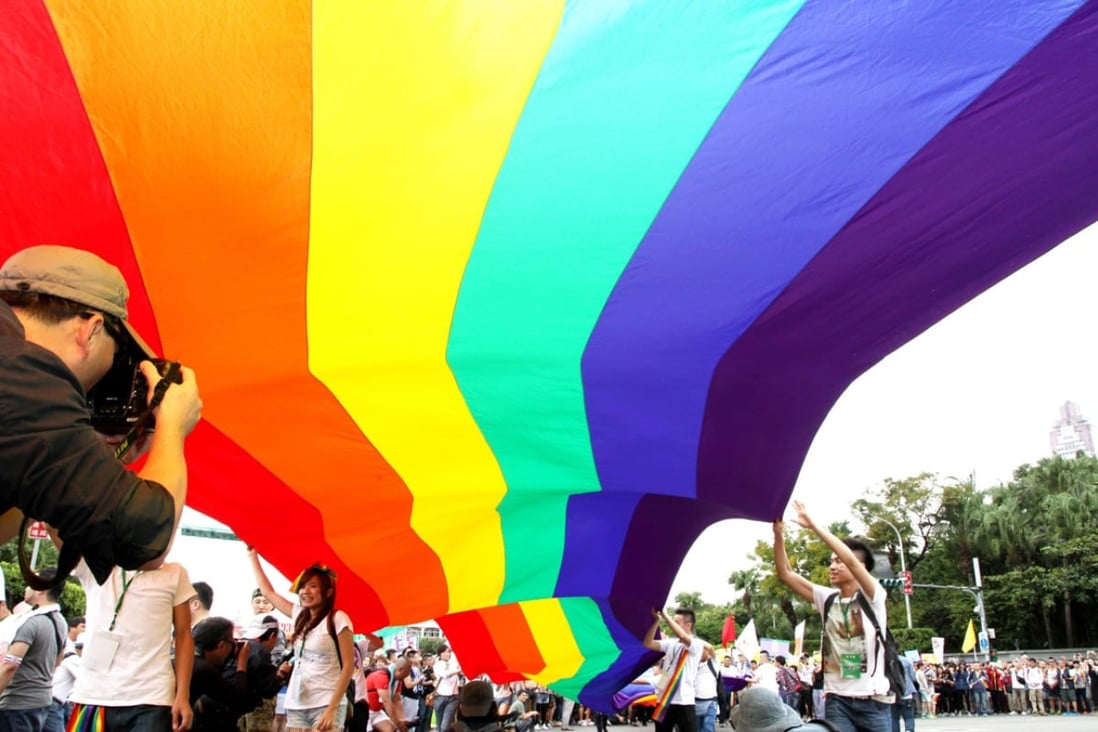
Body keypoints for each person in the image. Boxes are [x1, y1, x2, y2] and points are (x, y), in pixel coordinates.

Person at [0, 245, 203, 580]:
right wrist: (172, 426)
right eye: (116, 351)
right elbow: (141, 537)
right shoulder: (24, 371)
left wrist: (93, 463)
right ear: (90, 330)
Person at [773, 501, 893, 732]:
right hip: (837, 700)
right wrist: (779, 535)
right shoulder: (827, 598)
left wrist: (814, 526)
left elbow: (849, 559)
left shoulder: (873, 597)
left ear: (862, 567)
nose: (833, 566)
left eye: (837, 561)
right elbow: (785, 573)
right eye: (831, 561)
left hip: (874, 701)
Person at [67, 559, 195, 731]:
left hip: (152, 697)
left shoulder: (174, 573)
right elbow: (58, 534)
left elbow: (184, 635)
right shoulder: (96, 564)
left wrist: (183, 695)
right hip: (94, 696)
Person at [250, 549, 354, 732]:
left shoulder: (338, 619)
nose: (305, 591)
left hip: (326, 702)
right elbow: (267, 592)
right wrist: (252, 555)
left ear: (328, 592)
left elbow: (348, 666)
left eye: (313, 586)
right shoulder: (299, 615)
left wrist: (332, 708)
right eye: (303, 586)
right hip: (296, 703)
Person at [0, 567, 67, 730]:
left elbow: (10, 665)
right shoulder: (60, 622)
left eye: (30, 584)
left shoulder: (32, 623)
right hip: (41, 701)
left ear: (41, 589)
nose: (26, 587)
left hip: (17, 704)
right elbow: (58, 661)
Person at [643, 608, 707, 732]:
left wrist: (666, 616)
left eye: (677, 622)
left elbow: (682, 635)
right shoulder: (670, 643)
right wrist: (656, 621)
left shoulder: (697, 644)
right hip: (664, 699)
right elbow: (648, 643)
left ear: (688, 625)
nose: (673, 624)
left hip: (683, 700)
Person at [190, 617, 251, 731]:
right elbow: (238, 700)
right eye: (232, 642)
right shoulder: (204, 669)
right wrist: (242, 664)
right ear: (221, 645)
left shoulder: (187, 660)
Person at [364, 658, 412, 732]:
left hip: (377, 711)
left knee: (391, 729)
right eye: (408, 672)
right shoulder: (381, 676)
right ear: (401, 670)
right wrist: (398, 723)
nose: (408, 675)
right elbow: (387, 702)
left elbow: (397, 700)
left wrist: (402, 720)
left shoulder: (398, 680)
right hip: (365, 711)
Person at [433, 645, 463, 732]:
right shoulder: (437, 664)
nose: (448, 654)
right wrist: (458, 671)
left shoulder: (454, 664)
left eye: (449, 652)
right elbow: (445, 674)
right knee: (439, 725)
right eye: (445, 652)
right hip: (440, 697)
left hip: (453, 697)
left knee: (444, 727)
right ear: (440, 653)